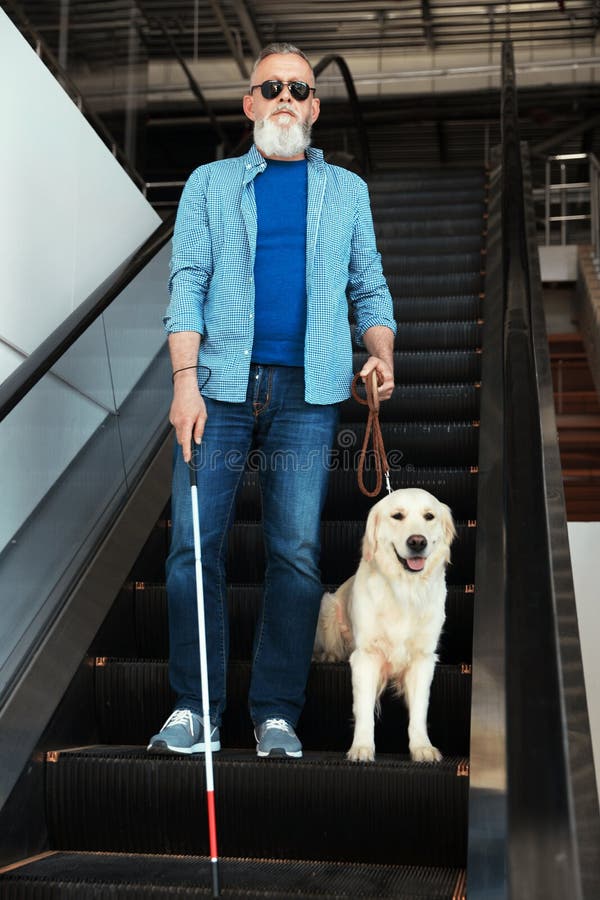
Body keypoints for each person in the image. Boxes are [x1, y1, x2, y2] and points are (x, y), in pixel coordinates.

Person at [147, 42, 396, 759]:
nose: (286, 97)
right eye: (271, 87)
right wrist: (184, 381)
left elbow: (369, 286)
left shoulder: (346, 191)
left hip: (308, 392)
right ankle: (196, 710)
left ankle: (277, 712)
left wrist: (380, 352)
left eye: (299, 89)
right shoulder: (210, 182)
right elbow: (186, 282)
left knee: (295, 552)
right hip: (218, 389)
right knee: (195, 549)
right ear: (250, 102)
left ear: (314, 108)